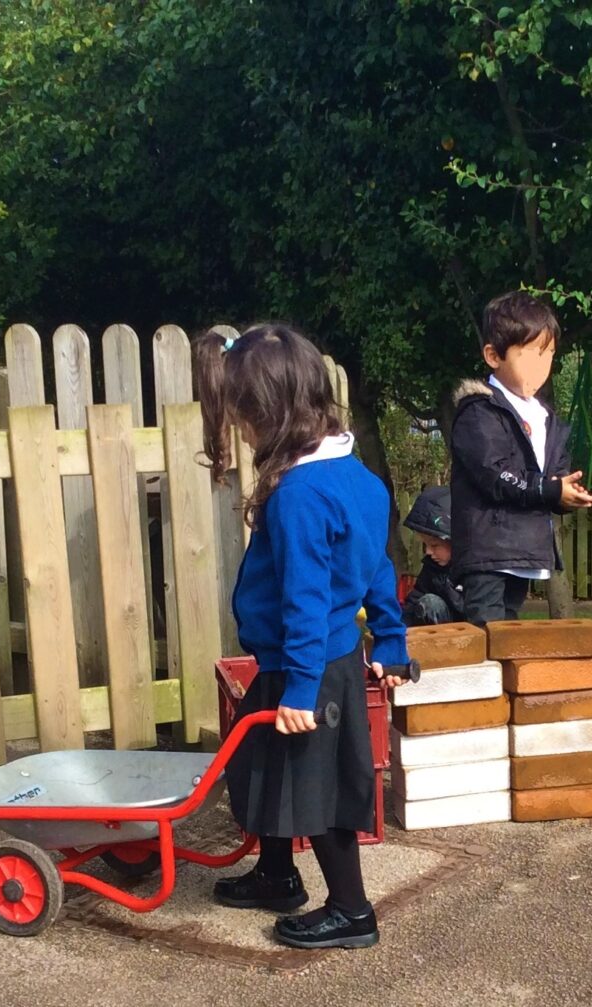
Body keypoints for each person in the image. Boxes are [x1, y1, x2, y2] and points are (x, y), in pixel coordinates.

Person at [192, 323, 409, 950]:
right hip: (304, 662)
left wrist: (301, 692)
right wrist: (390, 642)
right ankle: (277, 875)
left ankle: (352, 911)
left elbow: (307, 601)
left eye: (241, 418)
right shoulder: (357, 476)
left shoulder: (301, 496)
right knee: (271, 771)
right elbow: (378, 565)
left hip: (306, 667)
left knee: (320, 791)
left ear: (264, 416)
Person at [450, 291, 592, 624]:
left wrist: (566, 494)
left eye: (547, 355)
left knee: (509, 636)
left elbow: (553, 476)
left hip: (525, 550)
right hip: (488, 553)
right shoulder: (480, 412)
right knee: (487, 637)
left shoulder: (546, 418)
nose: (541, 365)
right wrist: (550, 490)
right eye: (529, 354)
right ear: (493, 356)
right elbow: (496, 475)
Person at [400, 485, 466, 626]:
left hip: (466, 634)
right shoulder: (432, 568)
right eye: (426, 545)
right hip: (437, 633)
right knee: (424, 603)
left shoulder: (473, 570)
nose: (428, 552)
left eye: (434, 545)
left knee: (431, 603)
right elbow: (413, 601)